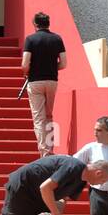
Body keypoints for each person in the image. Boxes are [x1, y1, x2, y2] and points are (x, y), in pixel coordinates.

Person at [21, 11, 66, 156]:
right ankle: (50, 149)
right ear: (48, 23)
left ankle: (44, 152)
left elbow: (24, 63)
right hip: (52, 80)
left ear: (35, 24)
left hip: (35, 81)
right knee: (49, 116)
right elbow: (63, 63)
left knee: (39, 118)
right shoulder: (57, 39)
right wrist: (52, 68)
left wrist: (27, 72)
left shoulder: (30, 39)